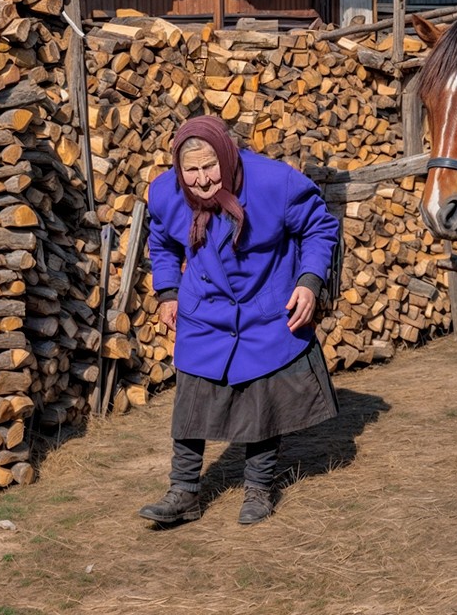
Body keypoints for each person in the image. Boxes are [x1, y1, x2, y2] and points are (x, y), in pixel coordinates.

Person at [139, 115, 340, 526]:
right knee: (191, 398)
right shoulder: (164, 192)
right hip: (205, 307)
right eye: (191, 170)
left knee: (261, 398)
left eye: (209, 166)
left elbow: (320, 227)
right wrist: (168, 291)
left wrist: (309, 281)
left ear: (227, 156)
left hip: (264, 302)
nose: (201, 180)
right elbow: (160, 242)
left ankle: (259, 488)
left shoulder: (275, 182)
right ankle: (184, 492)